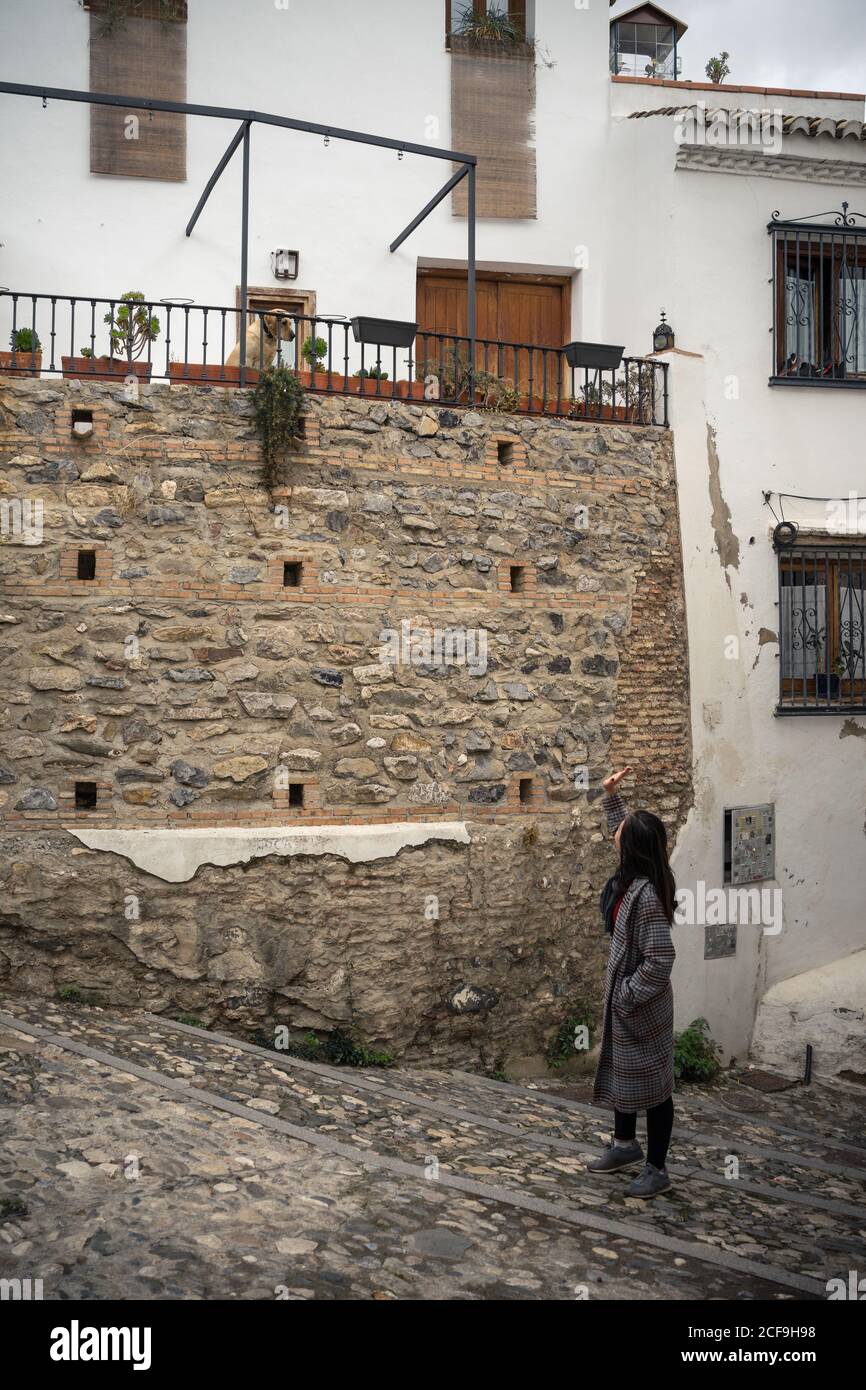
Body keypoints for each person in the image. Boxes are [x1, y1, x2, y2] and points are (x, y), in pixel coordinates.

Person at [588, 766, 677, 1198]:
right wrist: (611, 797)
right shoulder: (633, 873)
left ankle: (657, 1169)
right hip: (628, 1006)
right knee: (625, 1077)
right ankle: (625, 1146)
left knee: (656, 1089)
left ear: (633, 849)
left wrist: (625, 996)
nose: (615, 834)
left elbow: (661, 961)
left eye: (622, 832)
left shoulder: (647, 897)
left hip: (643, 1009)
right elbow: (621, 829)